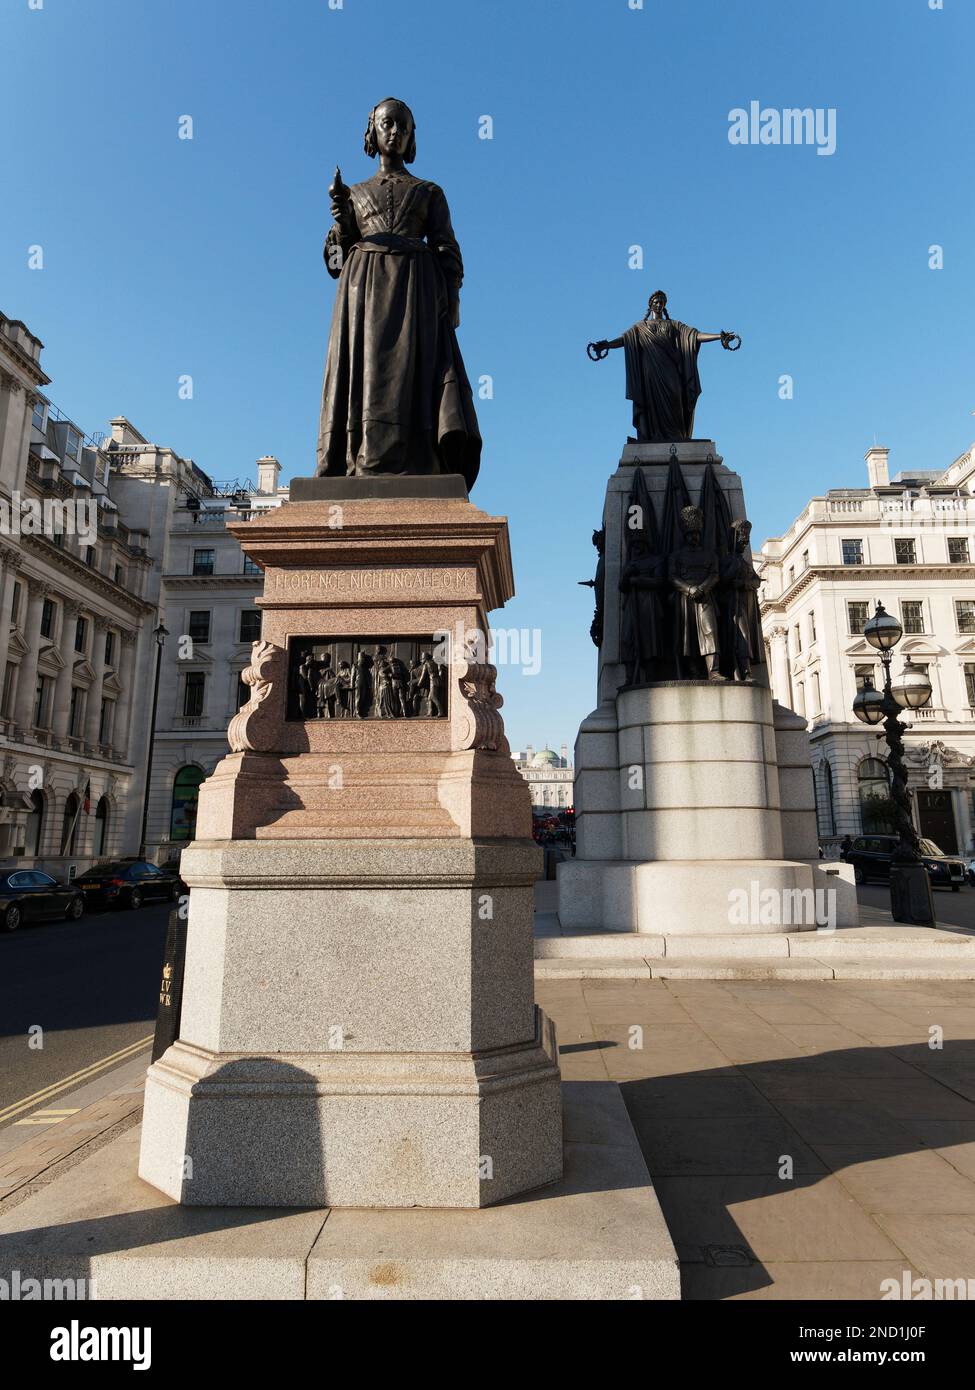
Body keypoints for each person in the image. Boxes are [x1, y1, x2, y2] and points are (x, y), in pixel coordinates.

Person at [317, 98, 481, 485]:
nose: (394, 131)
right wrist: (342, 223)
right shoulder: (353, 195)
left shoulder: (429, 192)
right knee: (366, 374)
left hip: (417, 292)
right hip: (362, 292)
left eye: (403, 127)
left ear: (411, 138)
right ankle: (359, 457)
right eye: (387, 123)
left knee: (413, 375)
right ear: (371, 131)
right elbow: (335, 263)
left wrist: (452, 302)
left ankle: (420, 460)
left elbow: (447, 248)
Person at [588, 291, 739, 442]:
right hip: (650, 371)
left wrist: (719, 336)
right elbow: (625, 340)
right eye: (656, 302)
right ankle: (653, 435)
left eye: (662, 302)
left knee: (675, 397)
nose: (659, 305)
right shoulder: (640, 327)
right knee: (651, 404)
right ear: (651, 304)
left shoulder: (674, 325)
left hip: (670, 369)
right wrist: (607, 344)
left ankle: (677, 435)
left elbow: (694, 336)